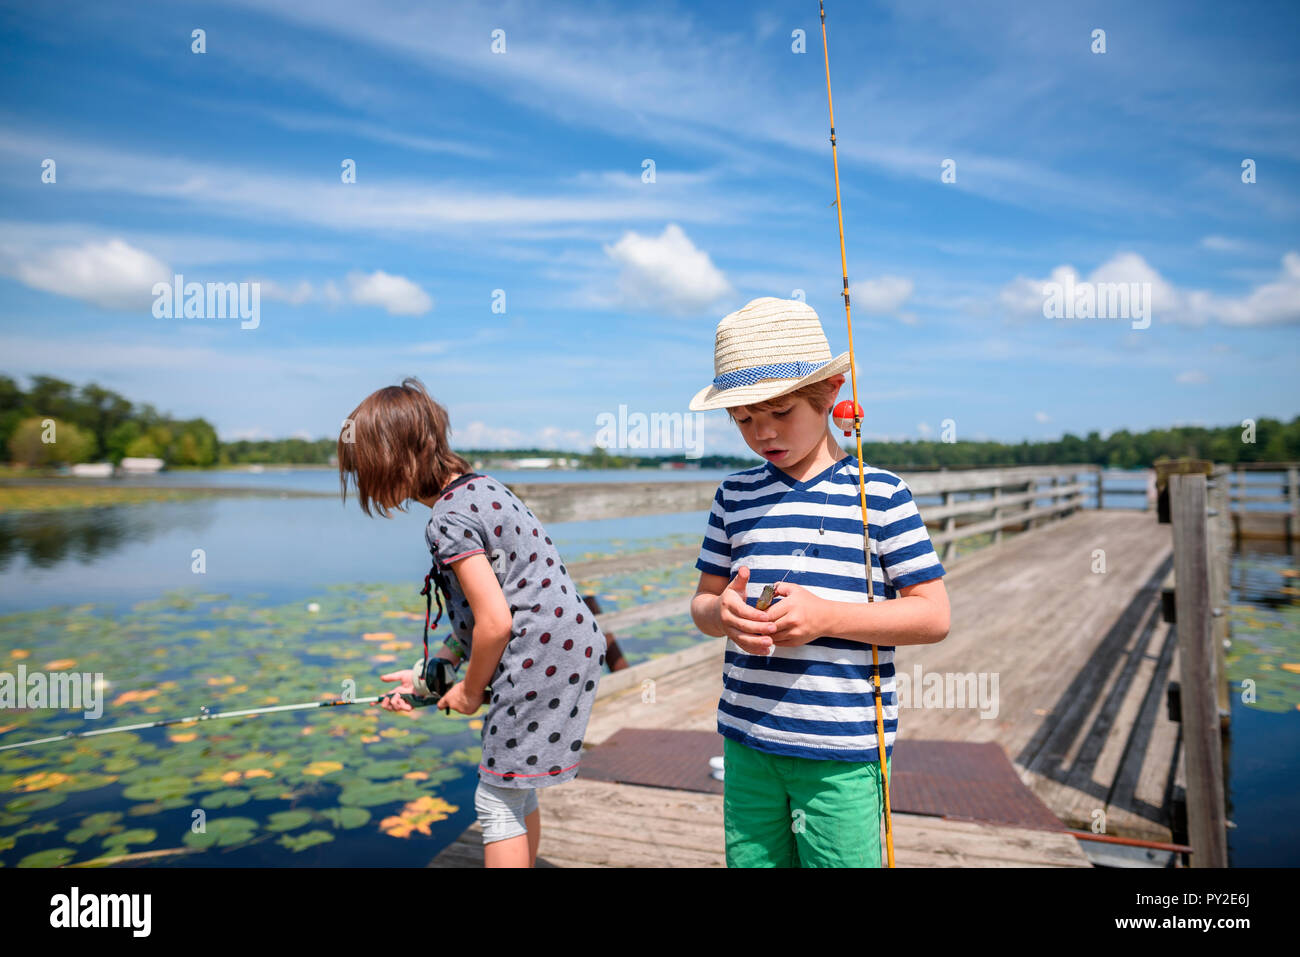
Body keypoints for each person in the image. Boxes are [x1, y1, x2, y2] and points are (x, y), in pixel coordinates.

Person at [687, 297, 951, 867]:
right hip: (747, 739)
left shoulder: (878, 495)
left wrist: (829, 618)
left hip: (843, 752)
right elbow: (705, 602)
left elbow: (932, 615)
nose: (762, 433)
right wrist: (722, 615)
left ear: (830, 392)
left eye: (779, 412)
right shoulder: (734, 495)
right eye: (744, 420)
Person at [337, 376, 605, 868]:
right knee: (514, 786)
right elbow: (500, 603)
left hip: (537, 655)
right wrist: (439, 666)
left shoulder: (446, 521)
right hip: (569, 644)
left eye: (365, 469)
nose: (365, 482)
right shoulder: (483, 489)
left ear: (394, 461)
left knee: (495, 800)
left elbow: (497, 623)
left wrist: (467, 692)